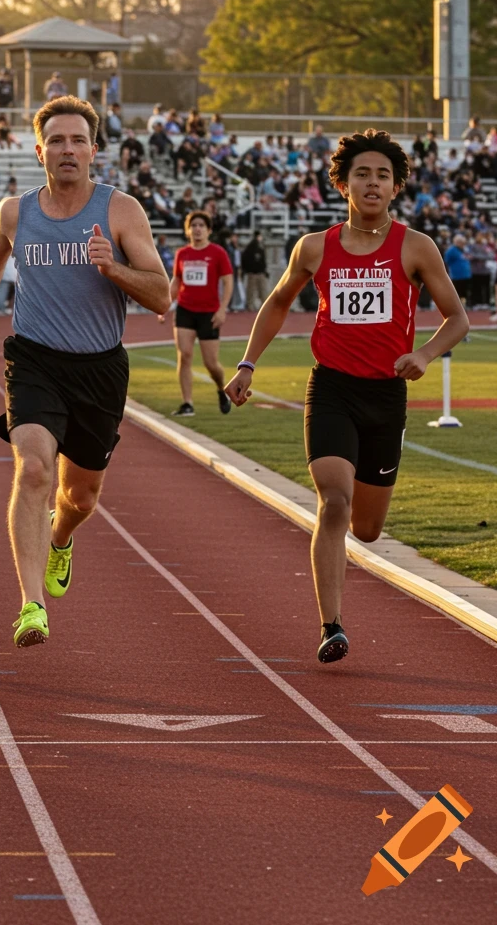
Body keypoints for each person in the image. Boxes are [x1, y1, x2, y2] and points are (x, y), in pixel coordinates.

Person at [224, 129, 469, 663]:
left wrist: (425, 354)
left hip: (386, 395)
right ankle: (330, 625)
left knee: (368, 529)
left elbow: (457, 318)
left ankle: (344, 573)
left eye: (383, 175)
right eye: (362, 174)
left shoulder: (415, 247)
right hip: (332, 388)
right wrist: (247, 363)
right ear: (343, 183)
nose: (372, 183)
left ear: (397, 186)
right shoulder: (315, 247)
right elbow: (277, 302)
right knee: (334, 501)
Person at [0, 95, 170, 648]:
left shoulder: (121, 211)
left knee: (81, 498)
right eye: (56, 141)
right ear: (39, 151)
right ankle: (32, 605)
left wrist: (113, 268)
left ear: (94, 150)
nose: (67, 149)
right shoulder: (15, 212)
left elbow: (161, 295)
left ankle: (60, 538)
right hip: (34, 360)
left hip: (99, 368)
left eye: (77, 140)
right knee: (33, 469)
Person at [160, 211, 234, 417]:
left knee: (211, 363)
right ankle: (187, 403)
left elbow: (228, 281)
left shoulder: (218, 253)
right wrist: (164, 305)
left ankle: (221, 388)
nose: (197, 229)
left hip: (209, 313)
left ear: (209, 230)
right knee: (184, 355)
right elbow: (176, 282)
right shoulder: (182, 254)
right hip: (185, 310)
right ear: (188, 230)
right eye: (193, 225)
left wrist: (222, 309)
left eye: (201, 225)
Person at [240, 230, 269, 311]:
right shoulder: (254, 248)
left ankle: (253, 305)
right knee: (257, 290)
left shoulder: (255, 247)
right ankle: (258, 305)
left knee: (255, 291)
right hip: (255, 273)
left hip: (256, 272)